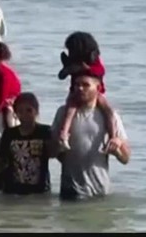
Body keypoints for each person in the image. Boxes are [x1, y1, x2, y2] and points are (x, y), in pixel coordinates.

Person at [52, 69, 130, 201]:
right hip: (70, 193)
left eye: (86, 85)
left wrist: (116, 150)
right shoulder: (63, 113)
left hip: (100, 192)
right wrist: (58, 146)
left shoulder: (110, 116)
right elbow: (50, 152)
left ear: (98, 88)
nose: (80, 88)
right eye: (77, 85)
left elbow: (126, 159)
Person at [56, 32, 116, 152]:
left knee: (108, 111)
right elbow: (63, 74)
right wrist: (68, 69)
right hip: (75, 92)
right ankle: (64, 134)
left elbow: (100, 71)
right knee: (69, 109)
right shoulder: (74, 63)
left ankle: (112, 136)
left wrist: (87, 69)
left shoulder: (94, 61)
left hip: (96, 93)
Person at [0, 93, 53, 194]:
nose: (25, 115)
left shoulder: (45, 131)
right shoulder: (9, 134)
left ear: (37, 111)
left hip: (40, 190)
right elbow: (2, 159)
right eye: (20, 111)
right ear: (15, 113)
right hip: (13, 190)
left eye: (29, 110)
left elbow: (53, 154)